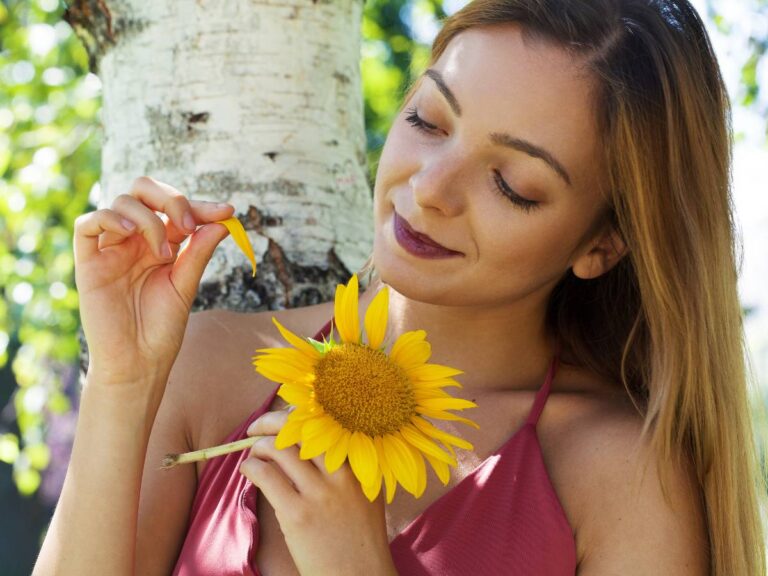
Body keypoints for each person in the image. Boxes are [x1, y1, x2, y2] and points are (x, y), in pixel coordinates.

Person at [33, 0, 766, 574]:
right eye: (427, 119)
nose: (432, 188)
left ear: (601, 245)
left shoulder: (619, 476)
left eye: (512, 185)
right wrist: (123, 385)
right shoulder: (211, 369)